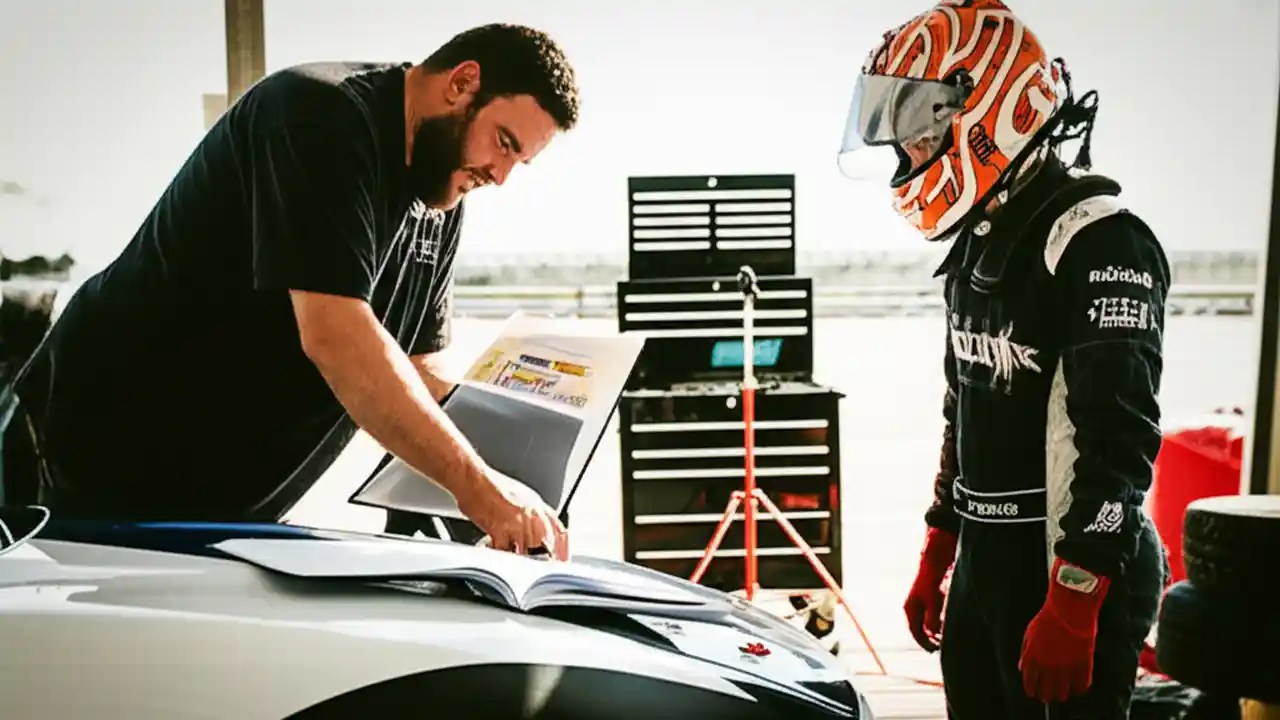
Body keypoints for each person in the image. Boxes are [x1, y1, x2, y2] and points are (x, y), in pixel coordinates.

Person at [5, 23, 580, 560]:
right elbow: (336, 335)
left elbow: (417, 371)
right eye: (503, 144)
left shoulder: (441, 197)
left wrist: (524, 453)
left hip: (215, 506)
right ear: (462, 83)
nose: (500, 176)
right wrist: (481, 492)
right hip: (88, 461)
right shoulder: (320, 114)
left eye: (518, 163)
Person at [836, 1, 1170, 717]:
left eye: (922, 125)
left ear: (988, 103)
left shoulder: (1102, 242)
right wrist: (940, 542)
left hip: (1069, 569)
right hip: (990, 564)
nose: (910, 149)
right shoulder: (980, 239)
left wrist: (1077, 598)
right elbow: (969, 397)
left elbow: (1121, 443)